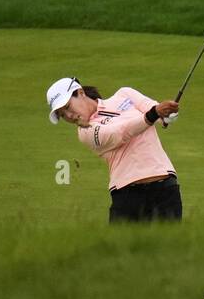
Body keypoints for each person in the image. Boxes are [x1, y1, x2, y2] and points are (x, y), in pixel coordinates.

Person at [45, 76, 182, 223]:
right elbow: (119, 133)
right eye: (62, 115)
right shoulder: (85, 131)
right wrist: (154, 113)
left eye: (67, 107)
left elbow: (158, 112)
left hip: (165, 191)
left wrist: (168, 114)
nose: (69, 116)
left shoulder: (125, 94)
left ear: (80, 93)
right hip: (127, 198)